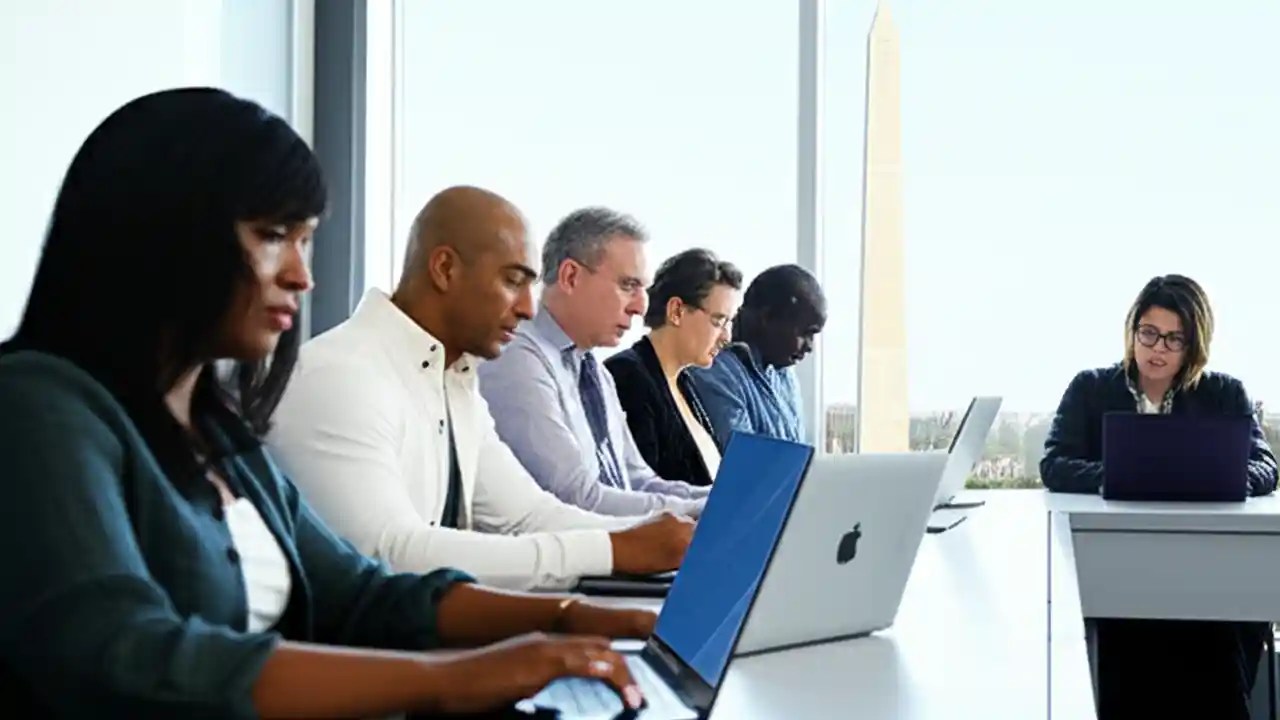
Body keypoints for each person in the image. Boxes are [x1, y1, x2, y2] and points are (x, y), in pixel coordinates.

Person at [0, 88, 653, 717]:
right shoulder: (37, 406)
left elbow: (359, 591)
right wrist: (454, 679)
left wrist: (571, 618)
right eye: (273, 235)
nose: (301, 276)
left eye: (305, 241)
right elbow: (122, 656)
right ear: (162, 233)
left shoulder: (218, 433)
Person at [269, 185, 694, 591]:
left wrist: (660, 540)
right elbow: (389, 554)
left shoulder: (455, 383)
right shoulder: (341, 374)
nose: (528, 308)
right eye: (513, 281)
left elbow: (526, 516)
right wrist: (614, 548)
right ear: (445, 269)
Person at [1040, 274, 1276, 719]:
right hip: (1115, 566)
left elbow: (1266, 468)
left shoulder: (1224, 394)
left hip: (1207, 565)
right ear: (1133, 331)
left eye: (1174, 339)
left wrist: (1222, 476)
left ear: (1194, 346)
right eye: (1148, 333)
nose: (1158, 348)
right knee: (1130, 634)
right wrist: (1122, 475)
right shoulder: (1091, 389)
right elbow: (1054, 464)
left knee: (1212, 631)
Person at [477, 207, 709, 516]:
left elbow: (638, 481)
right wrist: (703, 511)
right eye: (628, 286)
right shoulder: (516, 358)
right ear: (570, 276)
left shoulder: (596, 372)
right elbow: (576, 498)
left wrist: (718, 498)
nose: (641, 307)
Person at [605, 248, 743, 486]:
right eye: (718, 321)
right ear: (676, 311)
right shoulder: (627, 377)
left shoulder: (684, 382)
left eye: (728, 322)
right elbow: (638, 490)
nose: (727, 336)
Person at [690, 263, 827, 446]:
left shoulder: (784, 375)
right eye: (805, 333)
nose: (809, 347)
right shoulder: (714, 371)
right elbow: (745, 464)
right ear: (768, 318)